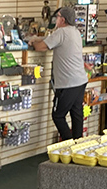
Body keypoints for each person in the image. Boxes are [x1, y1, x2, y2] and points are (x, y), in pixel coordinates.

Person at [31, 7, 87, 141]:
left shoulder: (61, 32)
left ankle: (68, 144)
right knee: (77, 114)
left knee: (58, 115)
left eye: (58, 16)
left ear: (63, 19)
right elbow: (54, 42)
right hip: (80, 80)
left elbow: (40, 47)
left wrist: (33, 41)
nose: (56, 19)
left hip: (67, 83)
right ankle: (77, 146)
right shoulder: (75, 32)